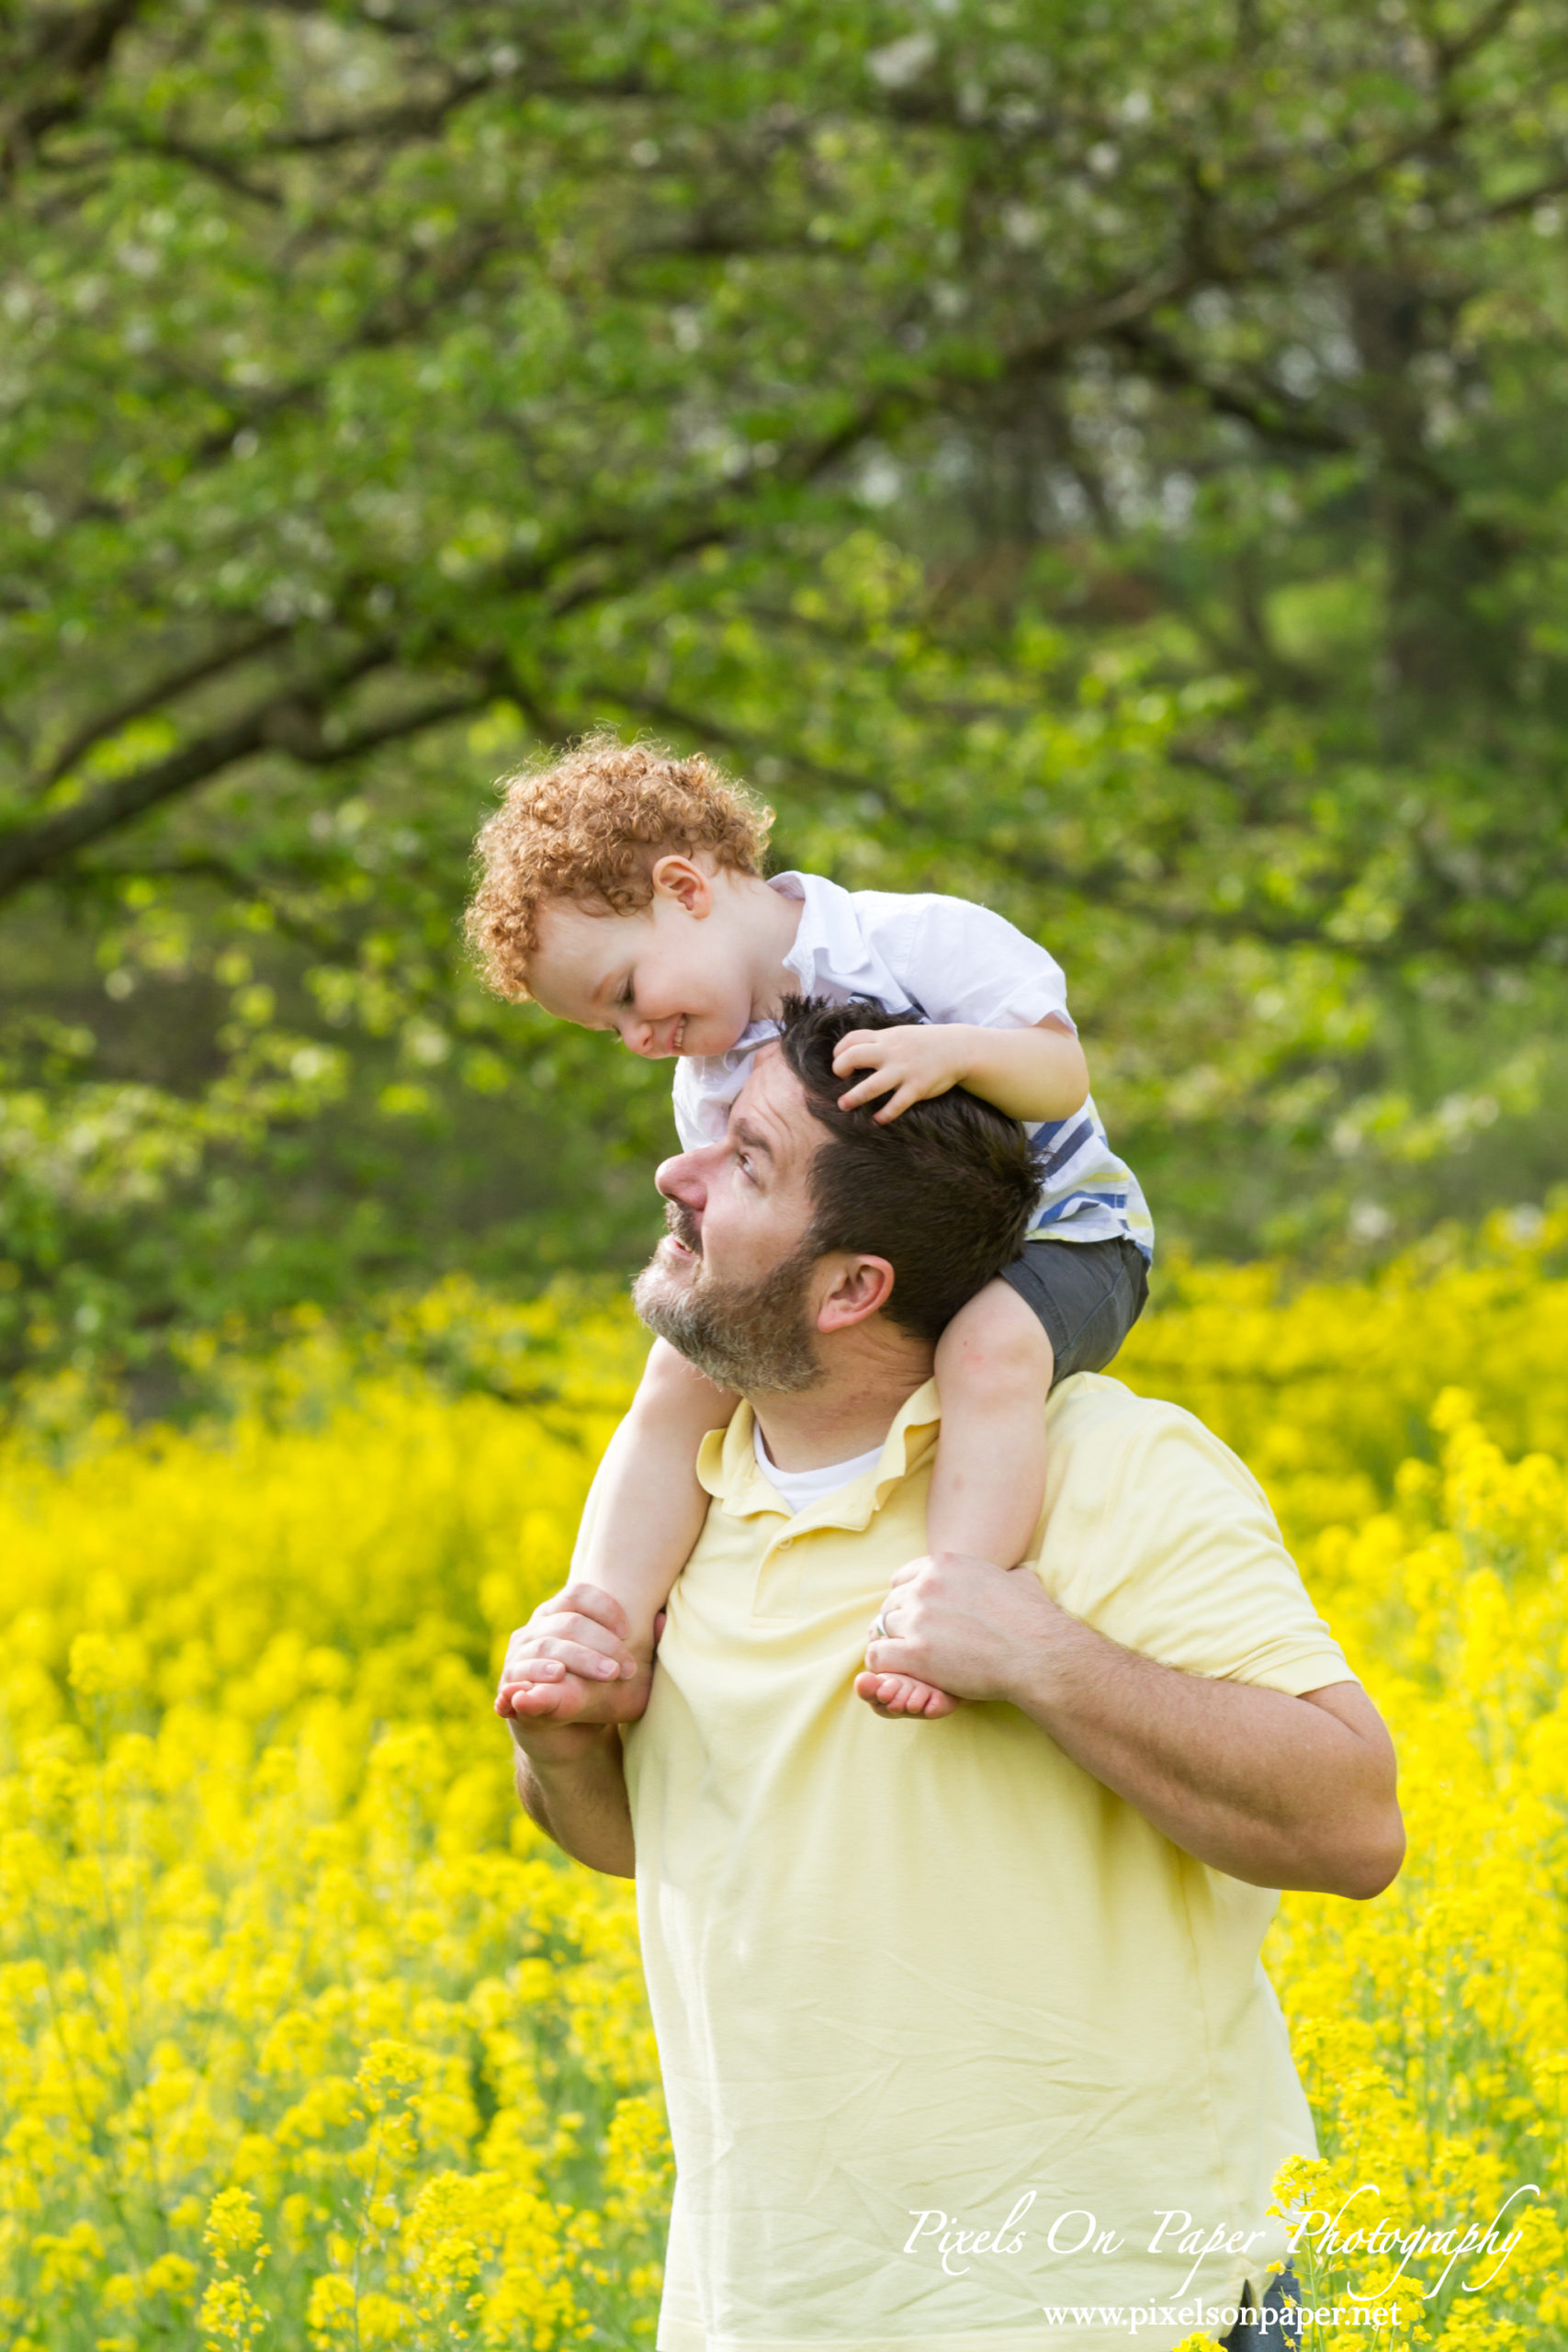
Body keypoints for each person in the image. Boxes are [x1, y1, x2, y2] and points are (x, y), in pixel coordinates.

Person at [496, 995, 1404, 2352]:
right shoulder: (678, 1501)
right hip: (770, 2318)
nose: (671, 1175)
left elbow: (1349, 1823)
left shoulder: (1103, 1464)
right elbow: (662, 1845)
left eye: (742, 1161)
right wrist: (563, 1747)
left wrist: (1036, 1651)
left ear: (850, 1285)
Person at [467, 733, 1153, 1718]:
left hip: (1066, 1232)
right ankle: (601, 1622)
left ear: (686, 887)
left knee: (990, 1349)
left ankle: (952, 1611)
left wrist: (949, 1052)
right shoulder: (705, 1079)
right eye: (606, 1029)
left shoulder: (911, 940)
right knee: (674, 1370)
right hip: (878, 1277)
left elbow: (1060, 1075)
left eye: (626, 993)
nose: (635, 1038)